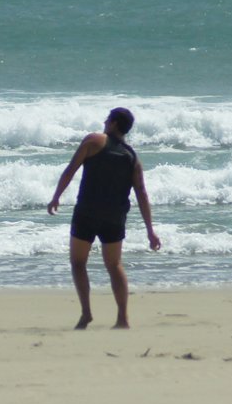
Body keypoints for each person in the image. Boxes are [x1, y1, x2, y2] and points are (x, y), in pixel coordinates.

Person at [46, 107, 161, 329]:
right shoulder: (132, 157)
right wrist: (150, 230)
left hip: (87, 212)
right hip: (114, 216)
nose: (105, 122)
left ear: (115, 123)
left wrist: (56, 197)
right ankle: (122, 318)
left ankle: (86, 313)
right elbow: (142, 193)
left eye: (108, 119)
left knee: (78, 263)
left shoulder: (93, 141)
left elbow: (70, 170)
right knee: (114, 264)